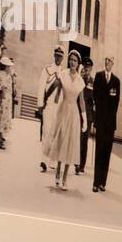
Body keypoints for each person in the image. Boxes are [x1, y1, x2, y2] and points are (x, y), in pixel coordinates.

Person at [40, 50, 87, 191]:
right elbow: (54, 87)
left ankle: (65, 178)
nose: (72, 62)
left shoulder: (80, 81)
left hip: (73, 114)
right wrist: (44, 100)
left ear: (78, 64)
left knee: (69, 144)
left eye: (75, 60)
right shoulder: (63, 75)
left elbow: (82, 101)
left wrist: (84, 119)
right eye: (71, 59)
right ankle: (57, 177)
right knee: (60, 142)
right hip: (63, 111)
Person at [92, 56, 121, 193]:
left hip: (110, 124)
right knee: (98, 151)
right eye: (106, 61)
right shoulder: (98, 76)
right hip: (100, 121)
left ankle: (103, 182)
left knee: (107, 153)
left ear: (113, 64)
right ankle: (95, 183)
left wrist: (109, 119)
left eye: (110, 61)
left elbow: (116, 104)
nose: (107, 63)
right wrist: (98, 118)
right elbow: (95, 97)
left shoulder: (116, 81)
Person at [37, 46, 64, 173]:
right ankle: (43, 159)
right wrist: (40, 104)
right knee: (46, 131)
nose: (58, 58)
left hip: (59, 107)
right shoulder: (47, 69)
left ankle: (51, 160)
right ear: (54, 56)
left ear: (63, 58)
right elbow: (42, 86)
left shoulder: (64, 73)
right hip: (48, 105)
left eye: (61, 56)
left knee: (54, 133)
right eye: (57, 55)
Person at [77, 57, 95, 176]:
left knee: (84, 140)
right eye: (85, 67)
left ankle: (81, 165)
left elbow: (94, 100)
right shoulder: (78, 79)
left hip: (88, 115)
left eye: (89, 67)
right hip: (77, 112)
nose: (87, 69)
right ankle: (74, 161)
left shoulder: (93, 82)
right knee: (76, 137)